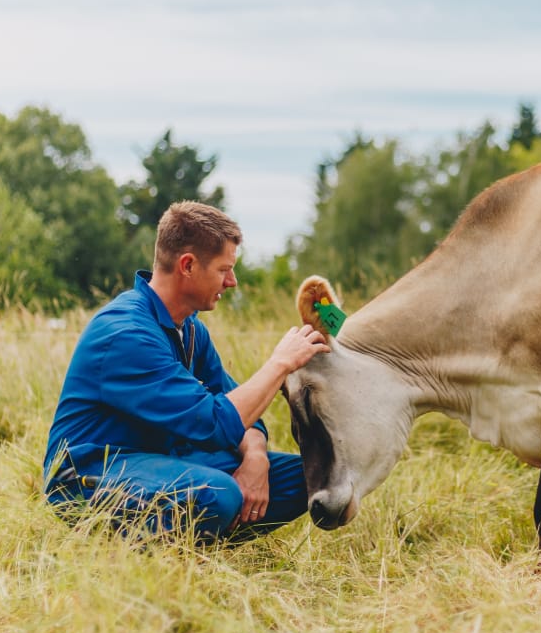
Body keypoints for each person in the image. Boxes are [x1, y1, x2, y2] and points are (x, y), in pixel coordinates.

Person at [43, 200, 329, 540]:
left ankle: (201, 535)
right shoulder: (126, 334)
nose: (232, 282)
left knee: (310, 475)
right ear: (188, 265)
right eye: (224, 270)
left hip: (159, 461)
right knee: (219, 494)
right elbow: (215, 423)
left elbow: (239, 409)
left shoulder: (190, 329)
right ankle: (152, 551)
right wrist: (280, 364)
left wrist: (256, 457)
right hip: (90, 474)